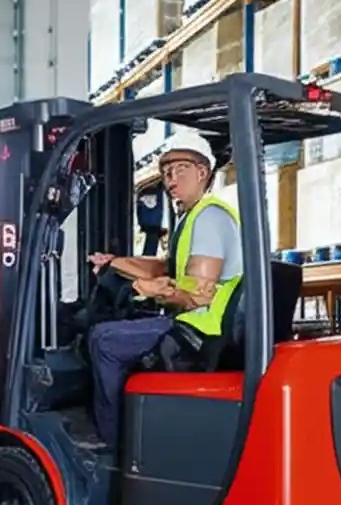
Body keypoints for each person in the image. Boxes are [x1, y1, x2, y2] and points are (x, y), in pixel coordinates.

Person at [85, 131, 243, 452]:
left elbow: (198, 294)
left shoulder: (210, 217)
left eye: (179, 170)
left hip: (199, 332)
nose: (171, 179)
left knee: (104, 341)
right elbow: (165, 268)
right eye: (166, 172)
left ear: (202, 172)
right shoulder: (192, 217)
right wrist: (115, 263)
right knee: (116, 331)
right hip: (197, 325)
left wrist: (149, 292)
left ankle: (114, 447)